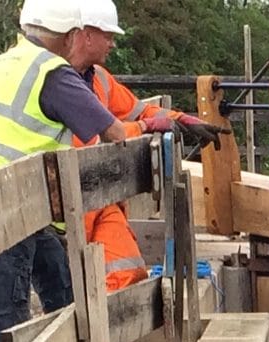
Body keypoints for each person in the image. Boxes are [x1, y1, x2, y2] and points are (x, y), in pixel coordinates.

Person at [0, 0, 129, 342]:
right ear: (72, 36)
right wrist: (151, 129)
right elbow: (112, 132)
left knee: (58, 275)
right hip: (4, 197)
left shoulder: (7, 61)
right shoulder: (53, 71)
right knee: (5, 306)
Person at [74, 0, 227, 295]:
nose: (113, 44)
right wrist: (146, 129)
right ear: (86, 34)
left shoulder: (100, 80)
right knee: (78, 300)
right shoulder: (60, 86)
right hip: (71, 215)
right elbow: (102, 137)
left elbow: (140, 112)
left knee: (126, 277)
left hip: (102, 203)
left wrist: (183, 120)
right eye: (107, 35)